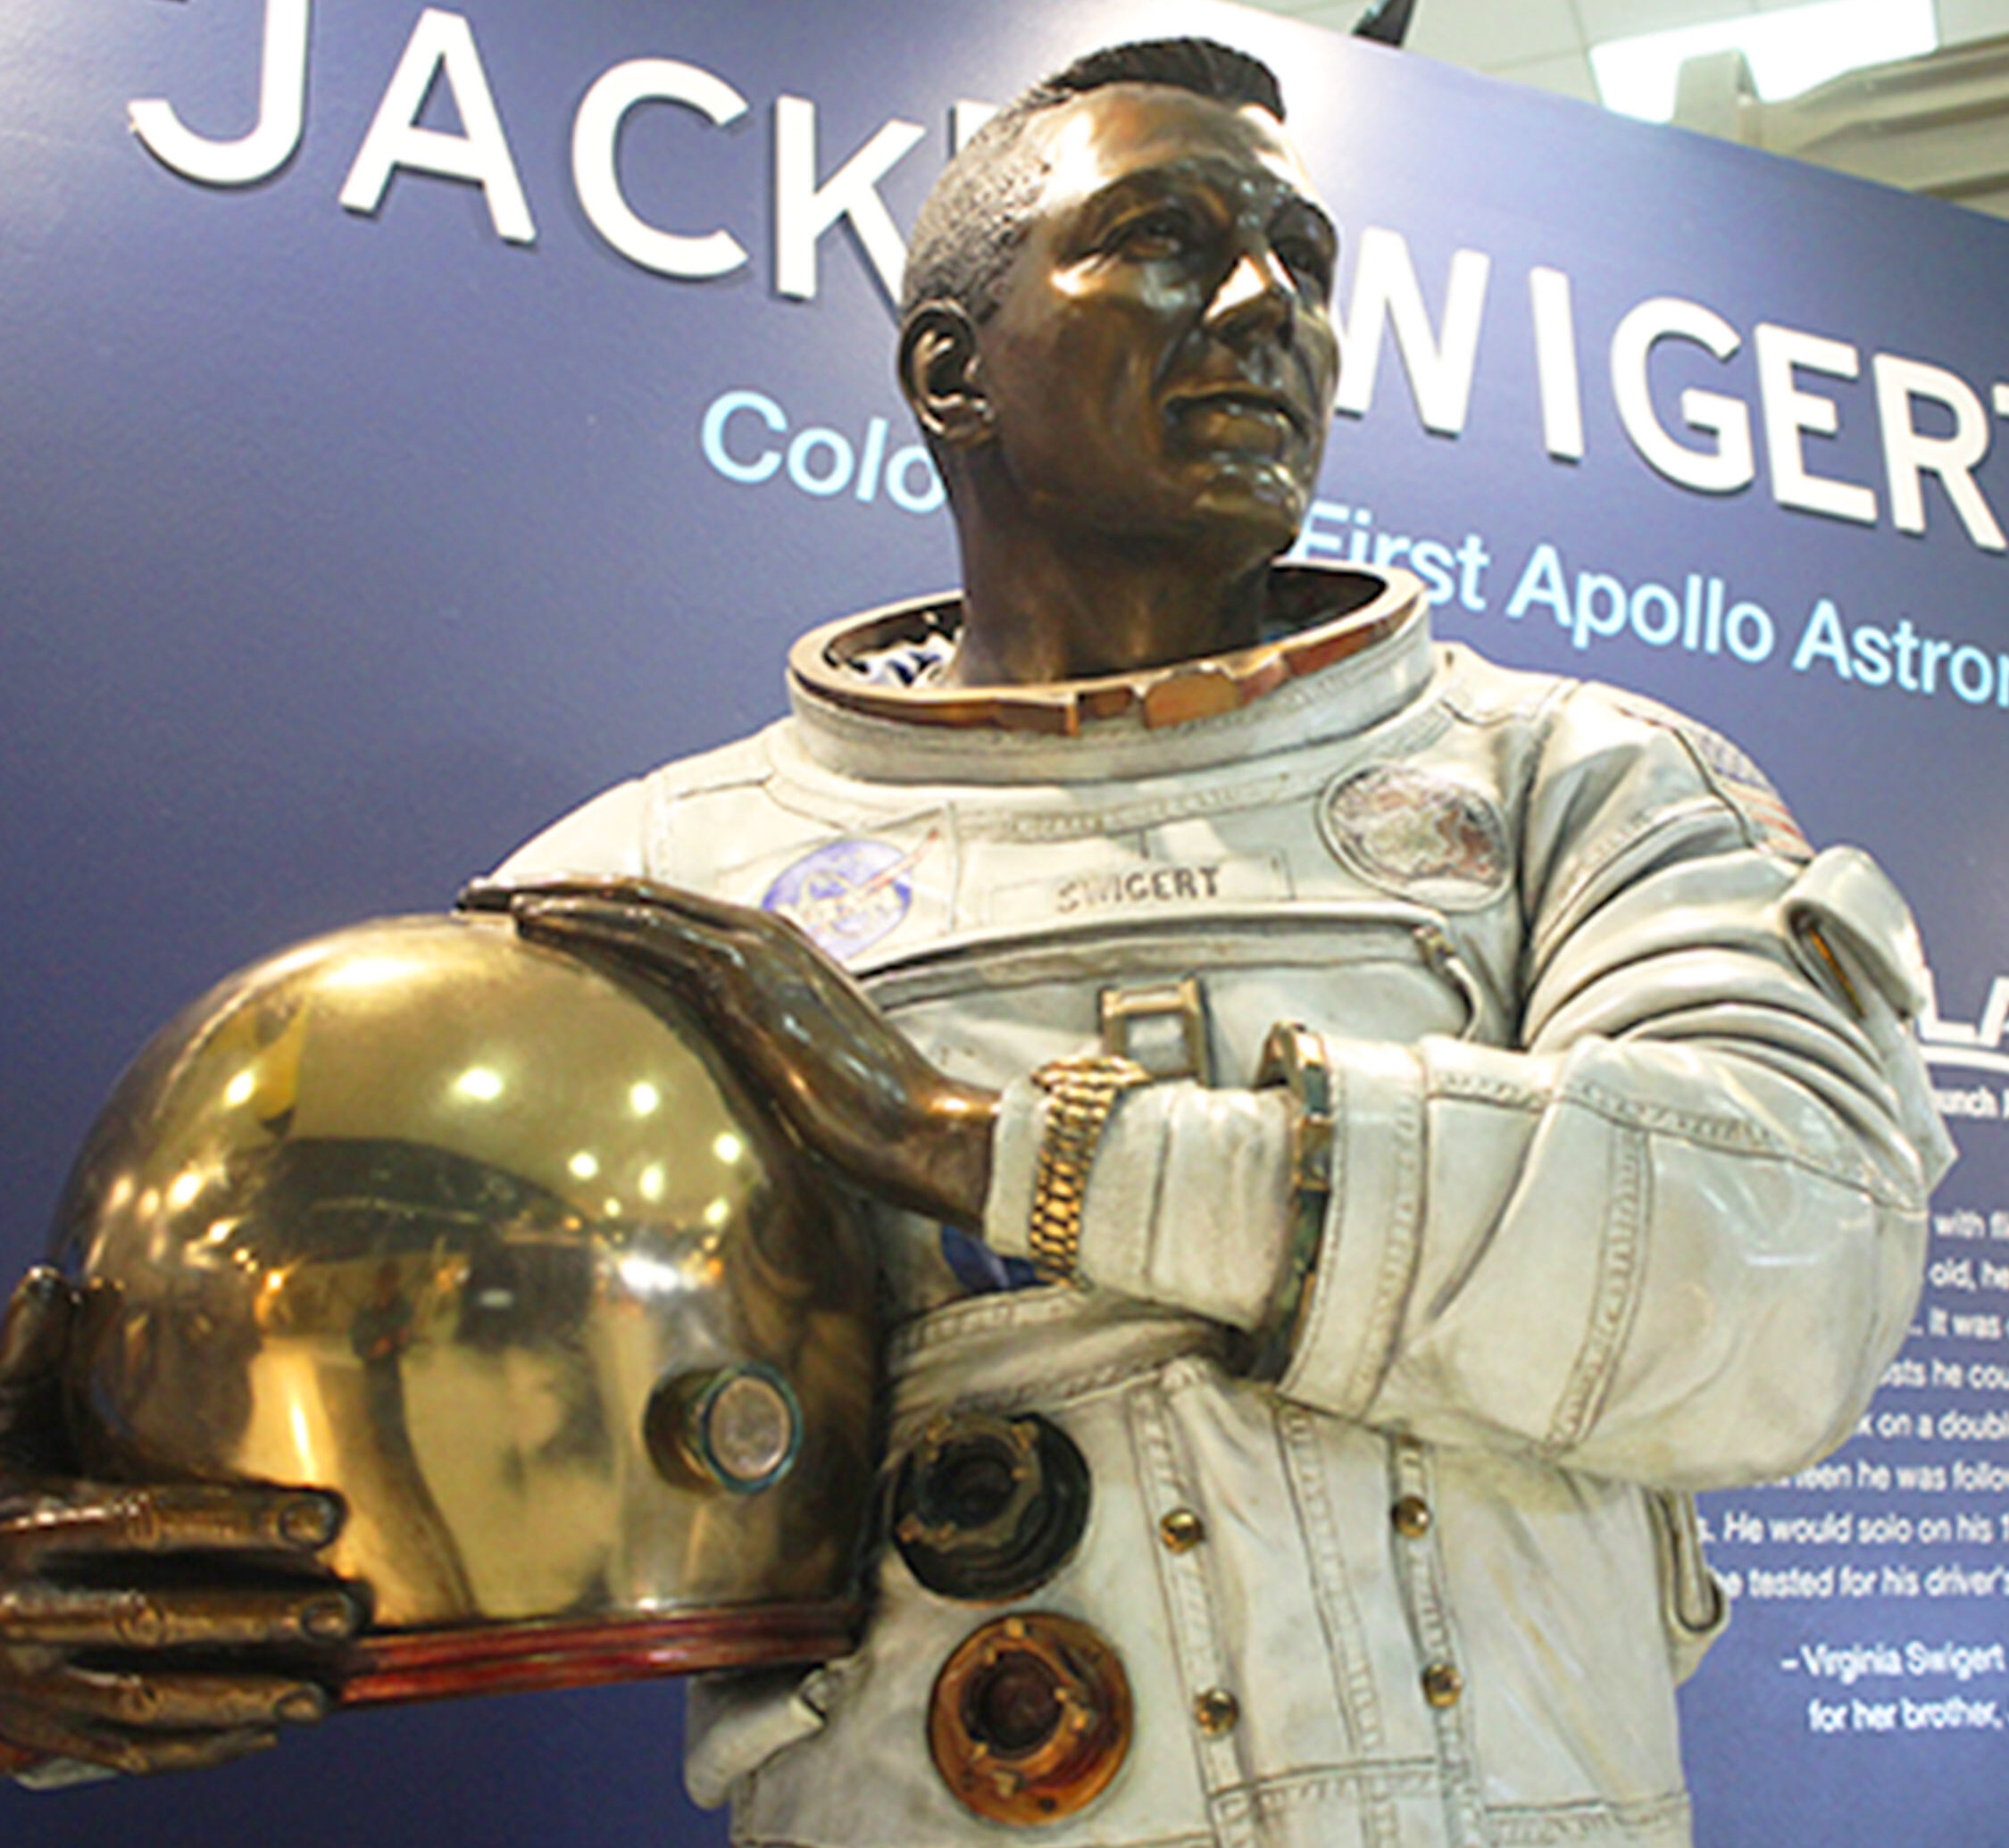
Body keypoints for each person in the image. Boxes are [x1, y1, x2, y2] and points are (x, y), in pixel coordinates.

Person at [0, 36, 1955, 1848]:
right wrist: (73, 1633)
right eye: (1163, 246)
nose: (1269, 308)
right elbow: (350, 1466)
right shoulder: (666, 885)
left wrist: (977, 1137)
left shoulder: (1575, 783)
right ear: (954, 370)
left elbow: (1778, 1277)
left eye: (1299, 256)